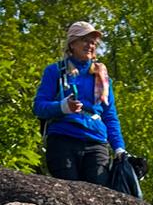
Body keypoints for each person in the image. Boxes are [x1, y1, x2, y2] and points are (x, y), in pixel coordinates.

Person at [32, 21, 128, 185]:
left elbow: (109, 116)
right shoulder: (55, 71)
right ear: (72, 44)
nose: (90, 45)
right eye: (85, 40)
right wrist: (63, 107)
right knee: (67, 194)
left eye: (93, 42)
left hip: (96, 142)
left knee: (98, 196)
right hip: (63, 139)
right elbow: (39, 107)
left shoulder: (102, 77)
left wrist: (119, 147)